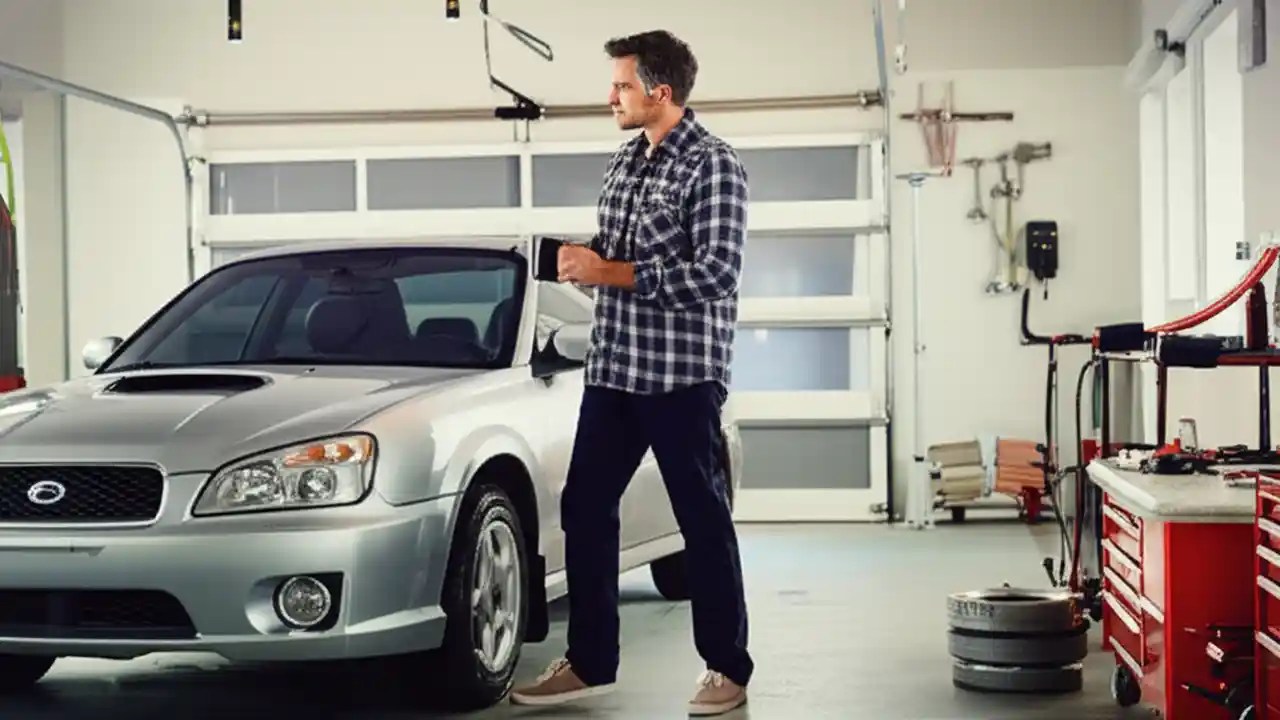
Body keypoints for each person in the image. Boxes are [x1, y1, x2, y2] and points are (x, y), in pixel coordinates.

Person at [508, 29, 753, 717]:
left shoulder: (714, 165)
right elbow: (619, 255)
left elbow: (714, 274)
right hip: (615, 368)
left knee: (701, 519)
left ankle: (727, 668)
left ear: (661, 91)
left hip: (681, 376)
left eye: (621, 85)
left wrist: (606, 270)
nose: (610, 96)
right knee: (585, 506)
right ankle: (590, 662)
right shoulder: (624, 160)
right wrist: (578, 259)